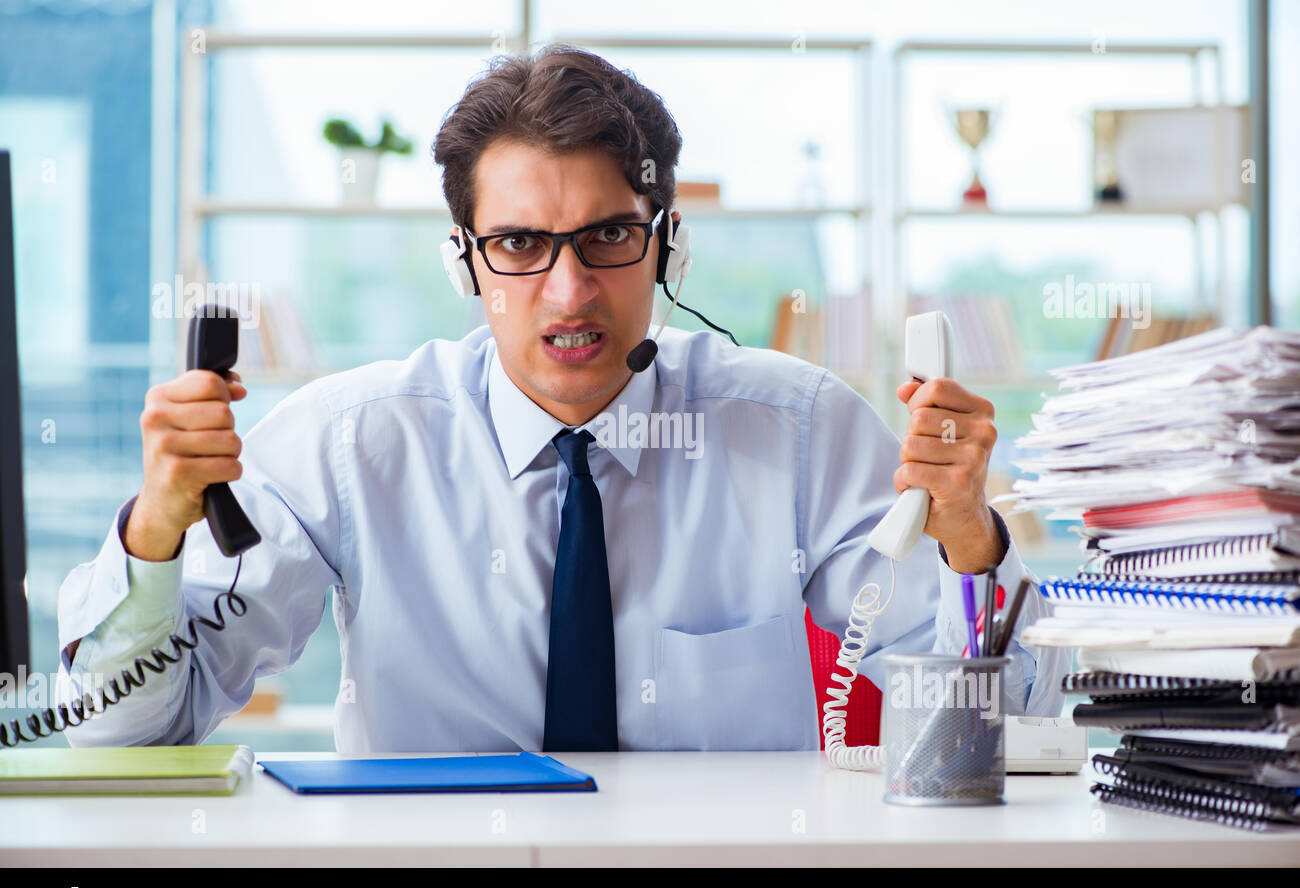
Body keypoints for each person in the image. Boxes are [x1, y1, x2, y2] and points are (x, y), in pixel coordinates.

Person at [56, 44, 1067, 752]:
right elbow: (125, 724)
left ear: (667, 245)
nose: (570, 290)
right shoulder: (348, 444)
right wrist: (153, 535)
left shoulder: (796, 431)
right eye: (520, 244)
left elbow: (1011, 721)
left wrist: (971, 541)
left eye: (608, 237)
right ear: (466, 263)